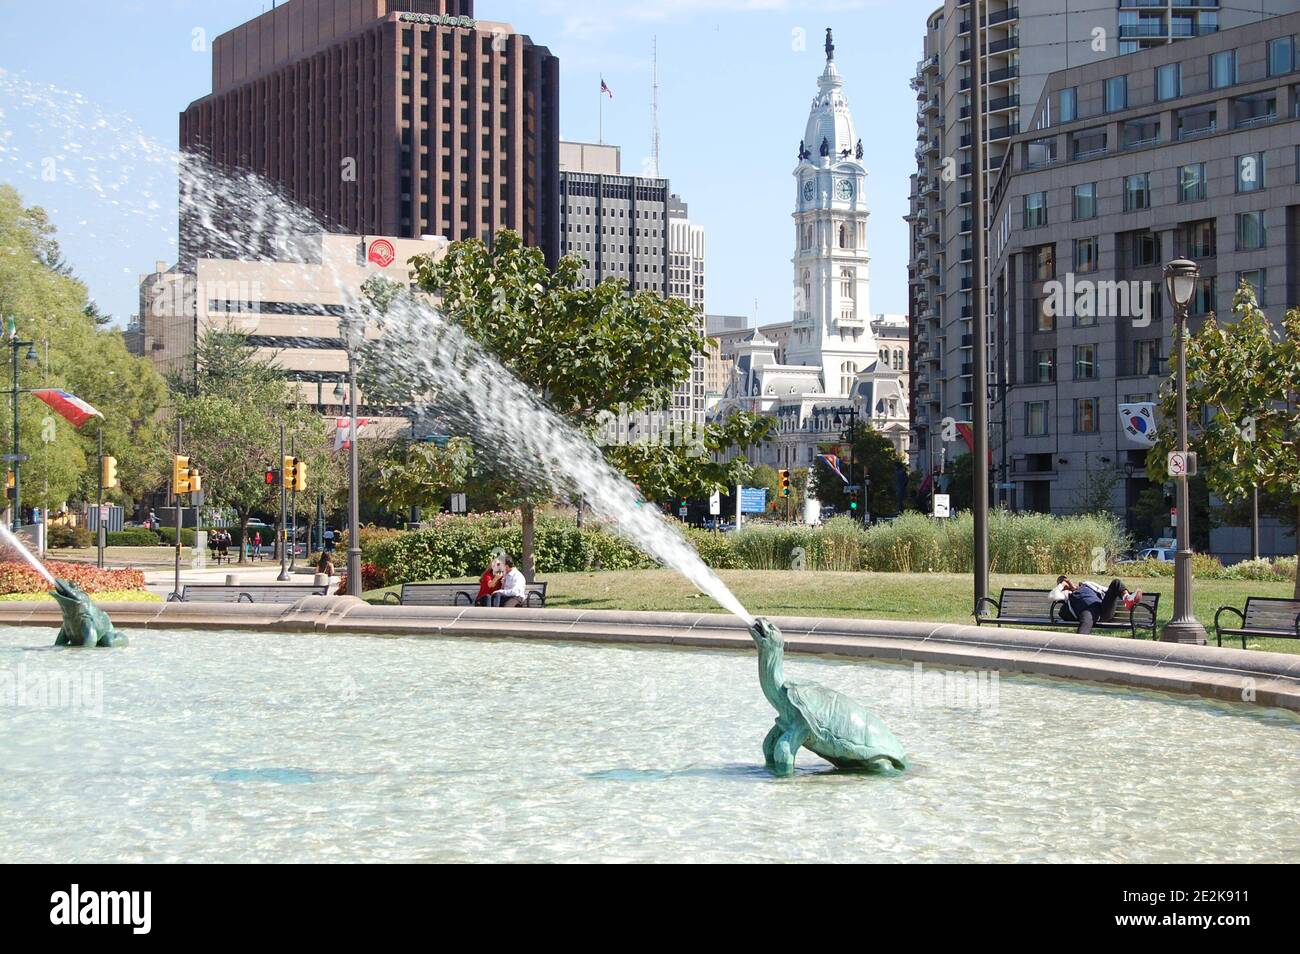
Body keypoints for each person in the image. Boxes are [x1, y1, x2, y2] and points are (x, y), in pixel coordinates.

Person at [1050, 575, 1142, 635]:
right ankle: (1078, 649)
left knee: (1116, 582)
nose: (1066, 583)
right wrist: (1061, 585)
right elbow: (1052, 595)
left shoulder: (1087, 584)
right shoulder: (1067, 595)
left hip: (1103, 609)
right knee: (1085, 620)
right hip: (1087, 612)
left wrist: (1118, 592)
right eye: (1062, 582)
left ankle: (1128, 599)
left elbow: (1107, 590)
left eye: (1066, 579)